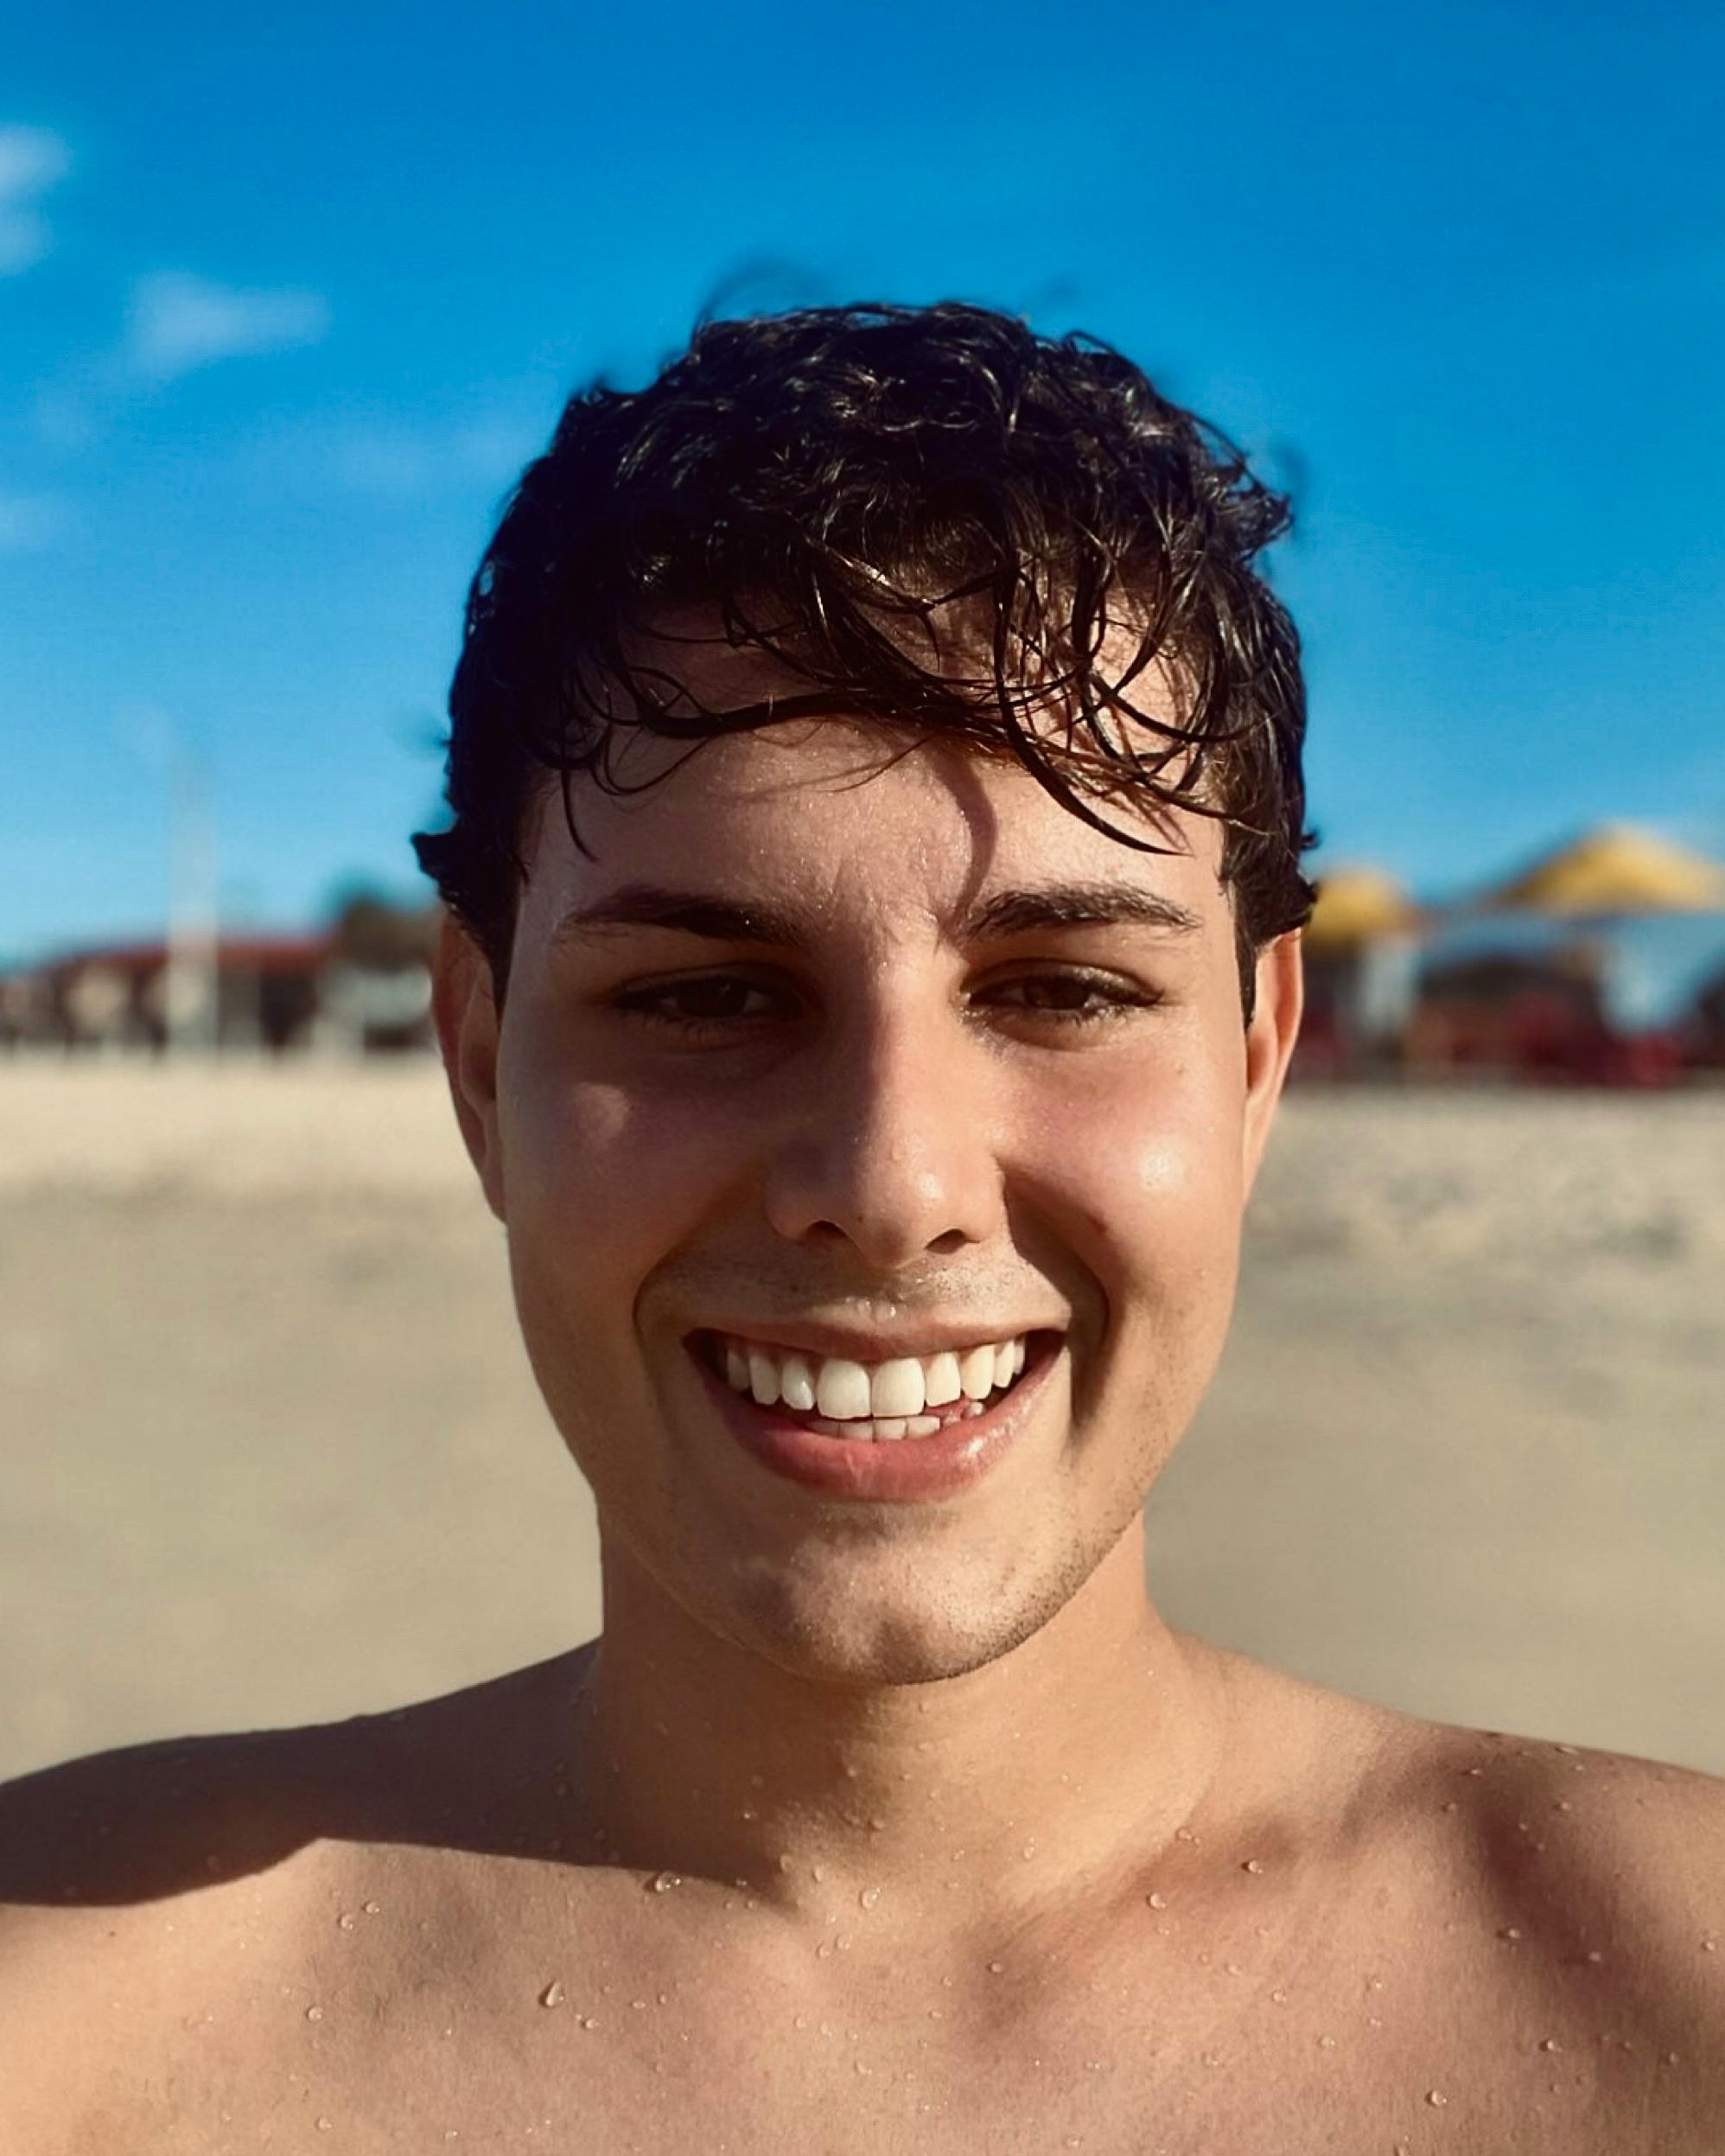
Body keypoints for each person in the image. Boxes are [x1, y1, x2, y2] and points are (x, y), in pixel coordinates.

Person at [2, 302, 1720, 2153]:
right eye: (699, 995)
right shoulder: (75, 2017)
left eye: (1059, 988)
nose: (891, 1180)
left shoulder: (1664, 1991)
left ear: (1253, 1054)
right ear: (479, 1058)